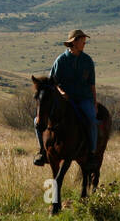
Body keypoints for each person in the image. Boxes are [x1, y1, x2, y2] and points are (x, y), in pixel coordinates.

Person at [34, 28, 97, 167]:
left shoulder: (87, 61)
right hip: (64, 100)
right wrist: (61, 92)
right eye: (82, 41)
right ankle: (42, 152)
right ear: (74, 42)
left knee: (92, 119)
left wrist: (94, 102)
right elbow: (52, 82)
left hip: (84, 98)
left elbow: (92, 84)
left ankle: (92, 153)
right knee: (37, 121)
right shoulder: (61, 60)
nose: (84, 44)